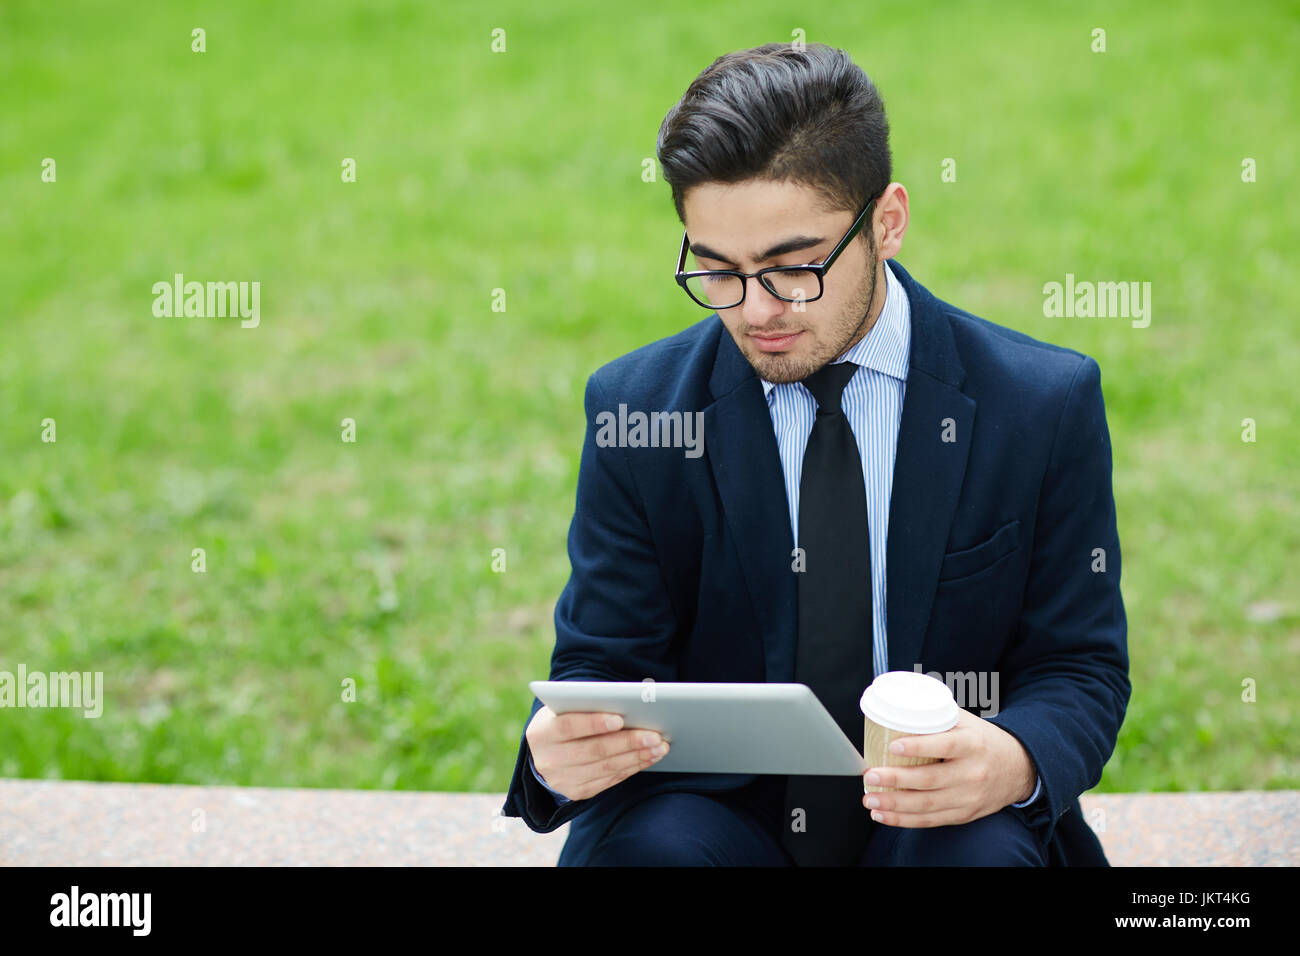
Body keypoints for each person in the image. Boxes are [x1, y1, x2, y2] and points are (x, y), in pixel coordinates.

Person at [499, 42, 1129, 866]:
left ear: (887, 222)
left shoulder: (1042, 403)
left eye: (794, 268)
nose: (756, 311)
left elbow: (1078, 665)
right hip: (711, 814)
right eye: (717, 270)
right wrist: (558, 756)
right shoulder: (638, 409)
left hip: (945, 816)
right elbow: (602, 663)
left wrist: (1012, 762)